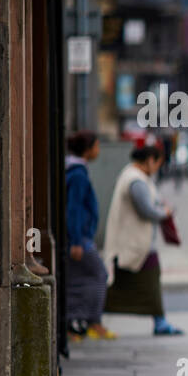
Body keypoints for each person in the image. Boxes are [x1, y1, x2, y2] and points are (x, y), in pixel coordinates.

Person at [103, 142, 184, 335]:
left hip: (138, 242)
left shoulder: (133, 176)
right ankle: (159, 322)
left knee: (134, 281)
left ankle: (159, 320)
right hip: (135, 243)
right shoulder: (136, 180)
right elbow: (146, 210)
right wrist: (164, 212)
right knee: (146, 279)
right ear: (149, 160)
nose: (157, 169)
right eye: (157, 163)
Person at [64, 132, 116, 342]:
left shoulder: (77, 171)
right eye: (96, 146)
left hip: (80, 237)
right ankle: (93, 322)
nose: (98, 150)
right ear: (88, 149)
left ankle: (71, 323)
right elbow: (74, 209)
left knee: (77, 280)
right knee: (99, 274)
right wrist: (77, 241)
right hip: (79, 239)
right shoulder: (78, 175)